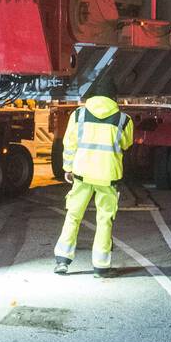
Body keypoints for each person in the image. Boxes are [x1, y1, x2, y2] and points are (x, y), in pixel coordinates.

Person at [54, 84, 133, 278]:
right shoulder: (123, 119)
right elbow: (126, 143)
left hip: (82, 173)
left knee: (73, 215)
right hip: (108, 176)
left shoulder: (78, 115)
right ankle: (101, 265)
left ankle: (63, 260)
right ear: (114, 97)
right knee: (104, 220)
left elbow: (69, 143)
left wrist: (68, 168)